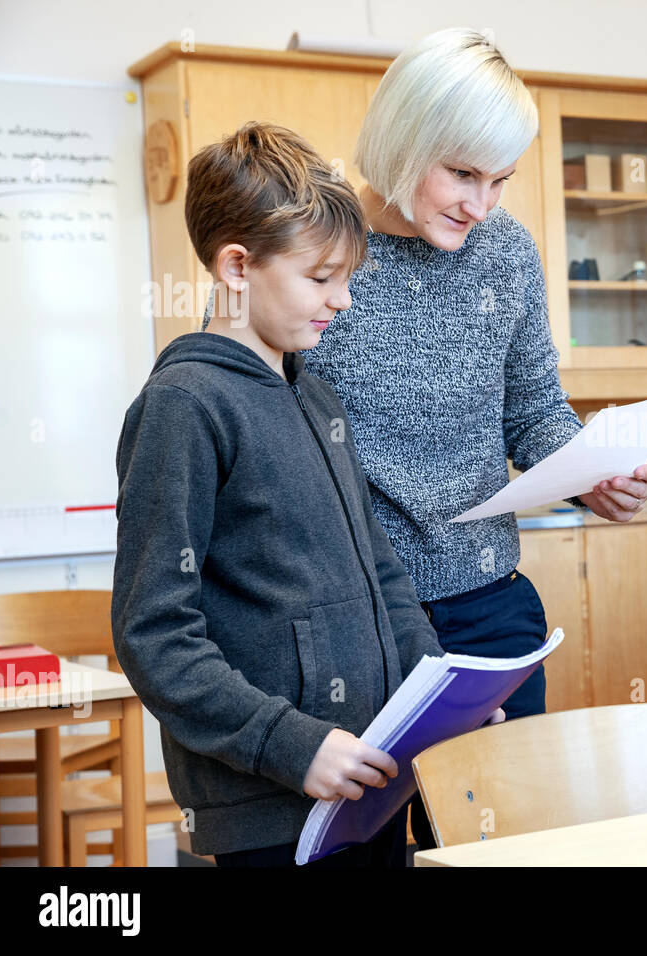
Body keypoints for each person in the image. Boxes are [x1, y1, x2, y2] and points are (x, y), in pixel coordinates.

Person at [263, 29, 647, 849]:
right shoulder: (309, 247)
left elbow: (535, 411)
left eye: (500, 180)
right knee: (357, 847)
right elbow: (248, 417)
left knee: (500, 845)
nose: (481, 205)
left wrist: (593, 472)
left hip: (487, 612)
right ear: (404, 143)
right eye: (463, 174)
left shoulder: (505, 252)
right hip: (352, 618)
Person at [111, 121, 477, 867]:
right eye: (321, 278)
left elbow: (382, 579)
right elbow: (154, 634)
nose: (341, 301)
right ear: (237, 266)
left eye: (348, 277)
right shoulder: (185, 406)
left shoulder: (319, 402)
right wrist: (292, 746)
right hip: (272, 805)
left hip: (371, 781)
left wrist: (437, 695)